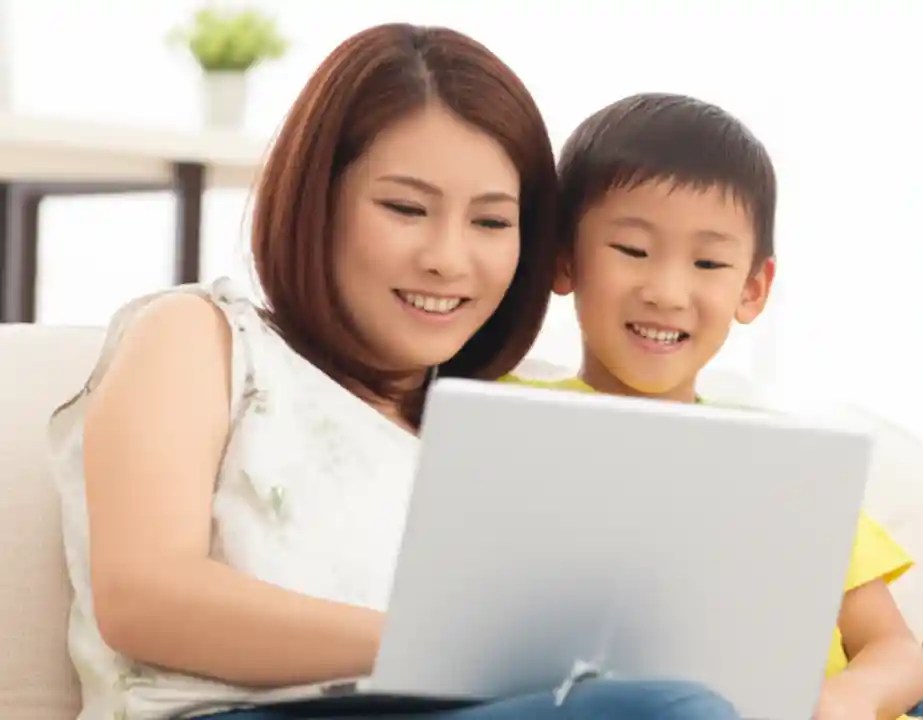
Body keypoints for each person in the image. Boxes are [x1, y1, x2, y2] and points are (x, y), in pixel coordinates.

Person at [48, 25, 739, 720]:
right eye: (406, 209)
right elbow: (144, 600)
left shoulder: (500, 416)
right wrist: (451, 647)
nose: (447, 258)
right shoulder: (201, 335)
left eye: (491, 223)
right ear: (317, 200)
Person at [503, 93, 923, 720]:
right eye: (632, 250)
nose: (667, 292)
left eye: (709, 262)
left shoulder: (787, 464)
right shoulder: (509, 420)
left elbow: (896, 649)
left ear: (752, 288)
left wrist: (850, 696)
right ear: (563, 259)